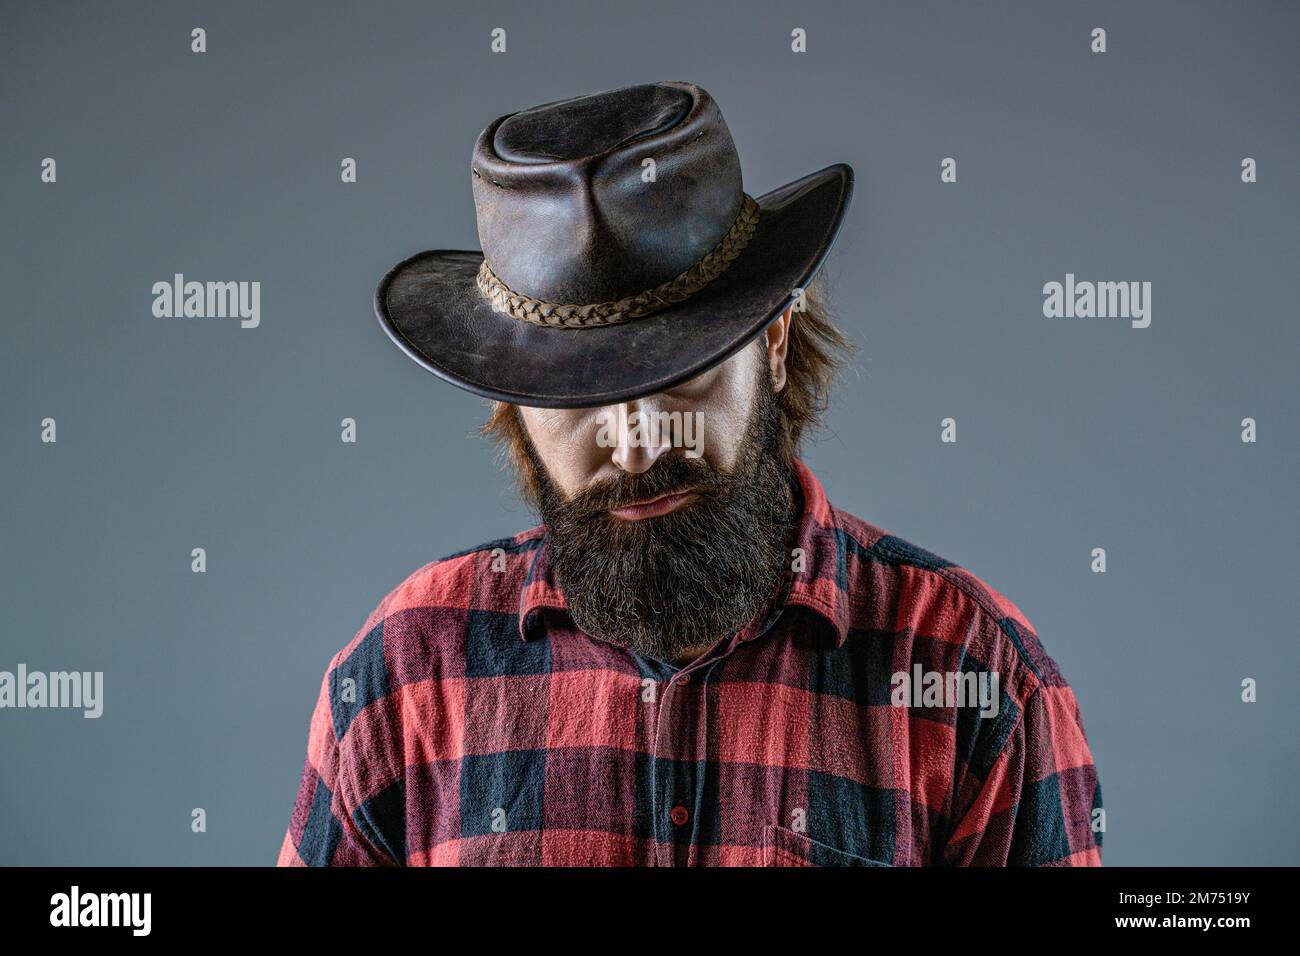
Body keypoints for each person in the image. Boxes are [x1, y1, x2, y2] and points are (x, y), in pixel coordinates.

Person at [277, 81, 1102, 866]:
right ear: (515, 405)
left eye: (683, 374)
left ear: (774, 346)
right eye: (579, 398)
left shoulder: (974, 677)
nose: (637, 444)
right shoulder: (402, 676)